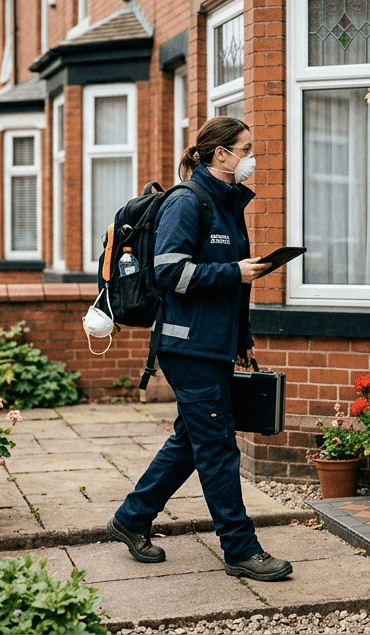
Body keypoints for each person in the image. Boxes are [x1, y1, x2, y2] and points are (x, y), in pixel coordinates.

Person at [107, 117, 293, 582]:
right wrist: (235, 272)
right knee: (217, 449)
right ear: (219, 154)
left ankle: (131, 518)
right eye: (245, 149)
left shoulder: (228, 204)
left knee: (192, 441)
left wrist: (242, 339)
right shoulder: (188, 202)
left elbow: (233, 285)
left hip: (214, 344)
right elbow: (168, 273)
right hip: (186, 346)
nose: (251, 158)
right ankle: (240, 549)